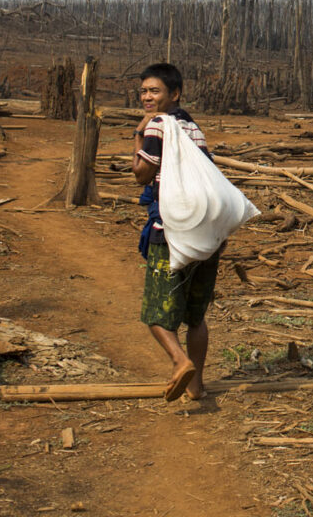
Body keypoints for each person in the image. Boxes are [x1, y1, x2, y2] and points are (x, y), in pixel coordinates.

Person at [132, 62, 220, 402]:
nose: (147, 97)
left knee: (156, 314)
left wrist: (138, 133)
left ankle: (180, 361)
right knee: (196, 316)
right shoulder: (193, 127)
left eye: (155, 91)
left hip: (170, 231)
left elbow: (141, 174)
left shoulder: (157, 126)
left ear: (175, 94)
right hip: (206, 231)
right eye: (144, 91)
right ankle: (196, 387)